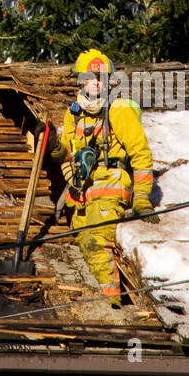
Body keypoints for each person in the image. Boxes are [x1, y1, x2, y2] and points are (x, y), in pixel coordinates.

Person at [50, 49, 156, 307]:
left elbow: (140, 153)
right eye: (90, 76)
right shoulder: (73, 114)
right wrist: (54, 145)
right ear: (81, 80)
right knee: (86, 243)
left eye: (101, 77)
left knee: (96, 242)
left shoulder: (118, 110)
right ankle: (111, 302)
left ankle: (116, 309)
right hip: (82, 196)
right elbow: (68, 157)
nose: (96, 81)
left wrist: (142, 197)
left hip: (110, 190)